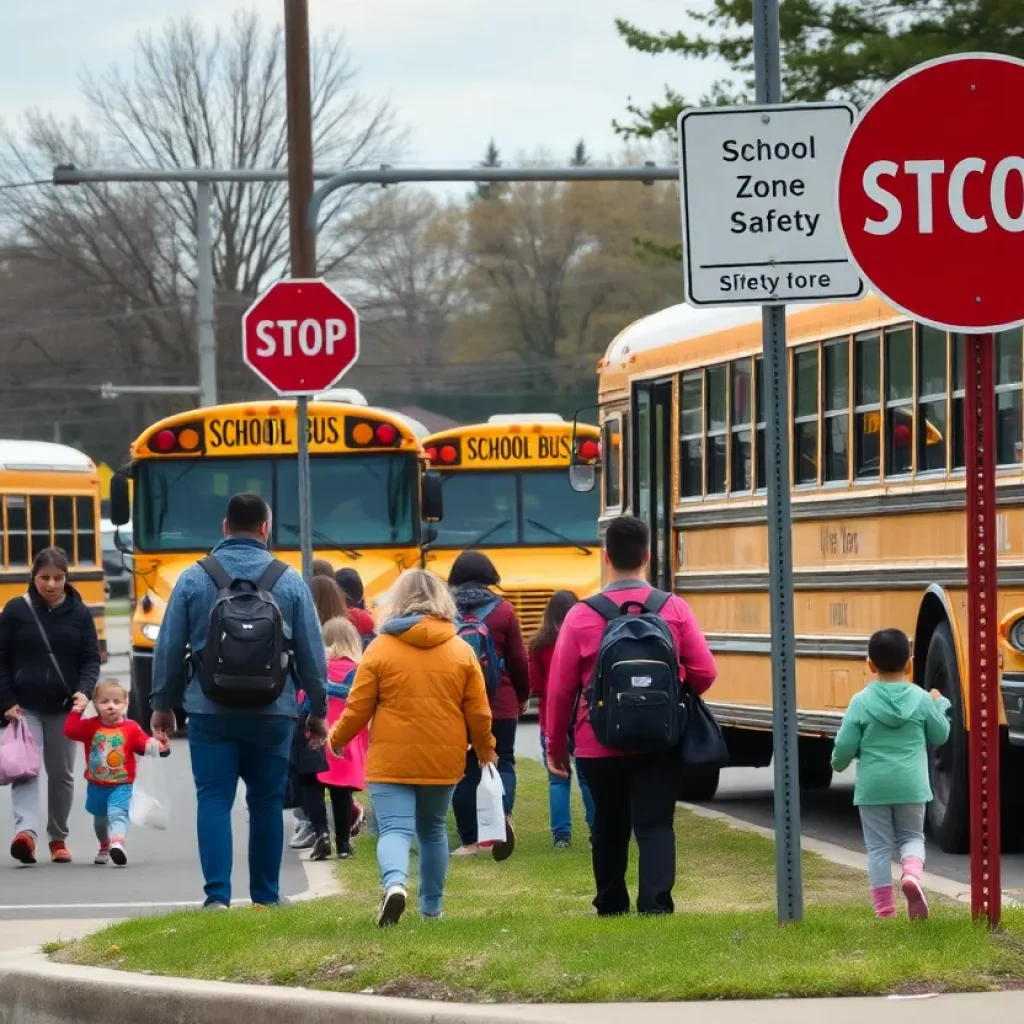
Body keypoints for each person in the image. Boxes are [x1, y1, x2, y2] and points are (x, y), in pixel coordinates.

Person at [150, 493, 328, 910]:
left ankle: (217, 898)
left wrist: (163, 704)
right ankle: (266, 895)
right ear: (265, 528)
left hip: (210, 710)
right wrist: (317, 711)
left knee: (213, 799)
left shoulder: (194, 579)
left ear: (225, 527)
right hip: (273, 711)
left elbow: (170, 646)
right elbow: (311, 652)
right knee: (265, 802)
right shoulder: (288, 580)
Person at [546, 515, 717, 917]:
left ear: (606, 557)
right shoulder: (673, 608)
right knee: (656, 824)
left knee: (608, 824)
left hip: (597, 740)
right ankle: (656, 905)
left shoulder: (581, 615)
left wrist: (556, 745)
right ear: (648, 555)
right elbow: (706, 672)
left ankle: (611, 901)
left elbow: (559, 690)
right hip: (661, 738)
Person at [329, 568, 496, 927]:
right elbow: (479, 713)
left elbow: (358, 706)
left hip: (392, 759)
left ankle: (394, 885)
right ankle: (432, 908)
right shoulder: (461, 651)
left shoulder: (379, 650)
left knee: (394, 830)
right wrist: (486, 752)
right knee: (433, 829)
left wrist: (338, 738)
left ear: (396, 601)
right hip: (443, 758)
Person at [831, 628, 951, 920]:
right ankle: (911, 876)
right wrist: (941, 703)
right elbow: (941, 735)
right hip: (911, 784)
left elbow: (845, 745)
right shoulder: (922, 699)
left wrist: (838, 762)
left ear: (870, 665)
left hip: (873, 786)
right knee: (912, 837)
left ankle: (885, 910)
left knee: (878, 847)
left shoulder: (861, 701)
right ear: (909, 664)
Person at [0, 547, 100, 865]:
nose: (52, 584)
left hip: (63, 707)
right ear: (34, 577)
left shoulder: (80, 613)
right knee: (25, 770)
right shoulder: (16, 610)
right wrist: (6, 701)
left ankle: (58, 838)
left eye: (58, 578)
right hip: (24, 707)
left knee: (61, 774)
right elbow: (0, 660)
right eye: (45, 577)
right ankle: (26, 835)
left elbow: (90, 659)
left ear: (67, 578)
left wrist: (84, 691)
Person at [448, 551, 529, 859]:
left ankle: (470, 841)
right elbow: (519, 660)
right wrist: (522, 695)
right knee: (503, 760)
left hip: (458, 703)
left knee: (465, 771)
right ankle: (503, 817)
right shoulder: (504, 611)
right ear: (490, 575)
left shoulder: (445, 610)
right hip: (500, 700)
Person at [63, 679, 168, 866]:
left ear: (126, 704)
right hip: (97, 784)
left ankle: (117, 843)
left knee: (118, 814)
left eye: (116, 702)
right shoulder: (90, 726)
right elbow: (70, 730)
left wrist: (159, 745)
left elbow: (143, 745)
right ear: (95, 704)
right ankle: (104, 845)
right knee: (100, 820)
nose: (111, 706)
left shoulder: (131, 728)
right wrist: (76, 710)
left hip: (122, 784)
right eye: (105, 702)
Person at [529, 590, 594, 848]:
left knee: (557, 779)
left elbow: (535, 686)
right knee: (588, 778)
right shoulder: (584, 638)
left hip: (550, 719)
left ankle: (561, 836)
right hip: (581, 718)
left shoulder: (538, 645)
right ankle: (595, 832)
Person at [312, 615, 368, 860]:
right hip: (347, 740)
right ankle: (343, 844)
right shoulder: (360, 671)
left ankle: (320, 832)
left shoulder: (317, 670)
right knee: (342, 794)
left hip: (317, 734)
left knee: (313, 789)